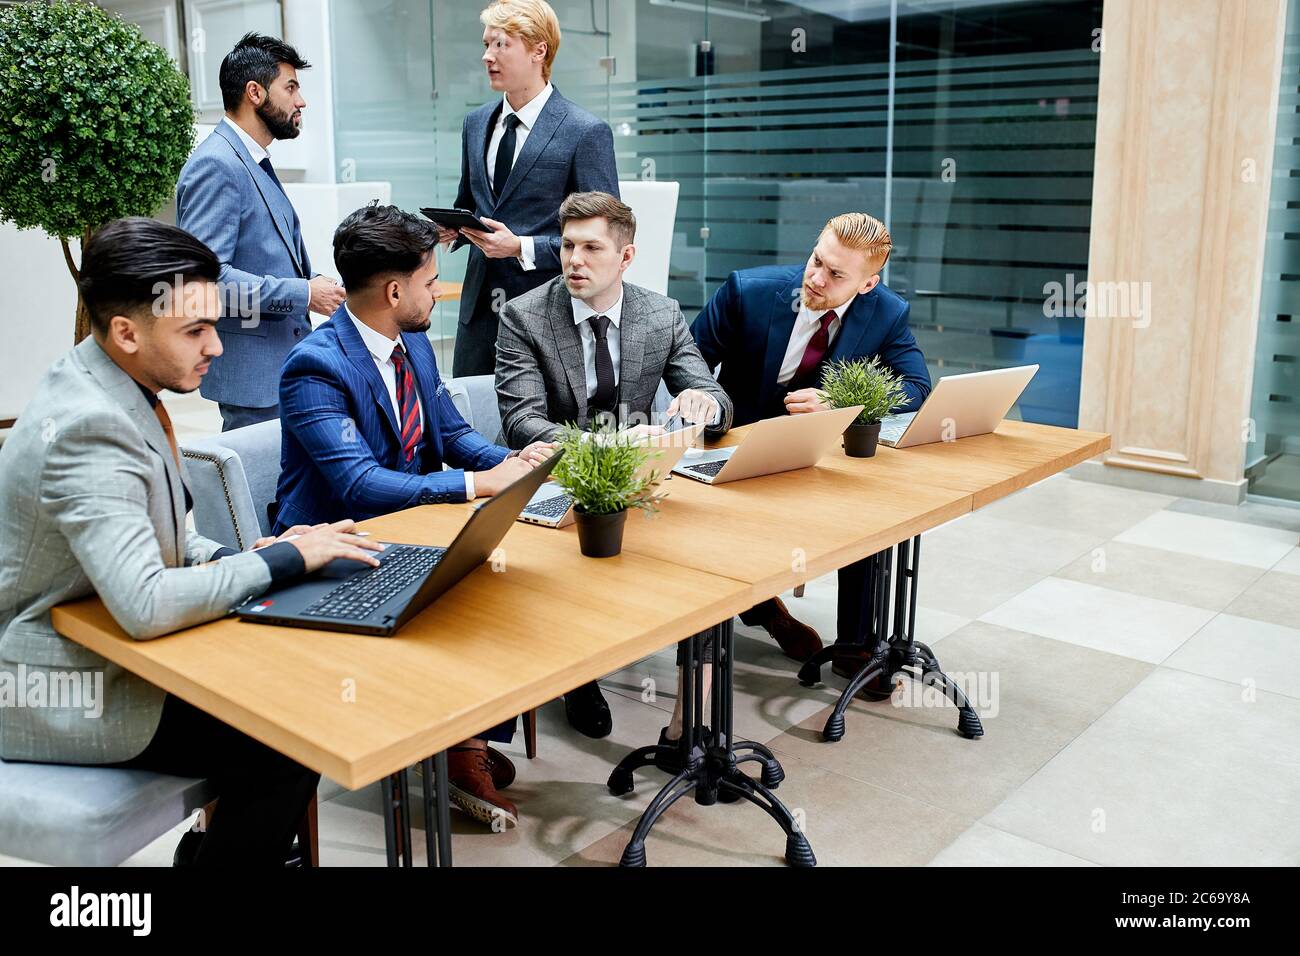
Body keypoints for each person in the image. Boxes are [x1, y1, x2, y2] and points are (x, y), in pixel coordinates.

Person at [0, 218, 382, 866]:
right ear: (127, 332)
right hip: (52, 684)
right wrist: (285, 559)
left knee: (292, 684)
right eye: (195, 330)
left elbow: (173, 537)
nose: (217, 347)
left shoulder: (114, 382)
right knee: (291, 736)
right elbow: (146, 604)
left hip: (102, 638)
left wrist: (249, 557)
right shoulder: (89, 427)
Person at [274, 203, 551, 829]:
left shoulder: (413, 342)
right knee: (475, 600)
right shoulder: (316, 365)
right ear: (394, 292)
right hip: (336, 549)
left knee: (509, 581)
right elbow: (360, 484)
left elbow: (451, 433)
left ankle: (462, 737)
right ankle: (456, 746)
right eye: (430, 281)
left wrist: (515, 461)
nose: (438, 292)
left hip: (410, 532)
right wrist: (477, 484)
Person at [496, 190, 732, 745]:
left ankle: (690, 718)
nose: (574, 260)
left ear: (626, 257)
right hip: (558, 479)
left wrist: (705, 404)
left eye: (592, 248)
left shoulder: (660, 313)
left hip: (639, 479)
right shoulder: (524, 316)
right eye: (568, 246)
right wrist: (609, 448)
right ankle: (578, 676)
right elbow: (523, 422)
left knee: (708, 559)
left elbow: (714, 395)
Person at [691, 212, 932, 688]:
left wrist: (842, 399)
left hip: (818, 453)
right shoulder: (747, 291)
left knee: (869, 509)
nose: (817, 278)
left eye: (836, 274)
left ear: (867, 284)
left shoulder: (887, 312)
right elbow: (688, 361)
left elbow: (917, 387)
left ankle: (855, 649)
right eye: (816, 260)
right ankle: (765, 611)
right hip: (740, 443)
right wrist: (708, 412)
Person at [177, 32, 347, 431]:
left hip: (284, 372)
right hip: (254, 386)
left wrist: (314, 284)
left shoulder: (251, 160)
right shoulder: (217, 165)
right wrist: (304, 293)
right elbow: (204, 281)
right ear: (255, 92)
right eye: (290, 87)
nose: (301, 101)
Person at [440, 0, 619, 377]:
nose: (487, 56)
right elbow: (470, 204)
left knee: (536, 415)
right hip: (478, 316)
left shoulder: (584, 132)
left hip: (548, 316)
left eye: (500, 44)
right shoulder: (475, 124)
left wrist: (521, 247)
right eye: (486, 44)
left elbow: (603, 238)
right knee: (470, 410)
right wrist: (449, 229)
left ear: (539, 50)